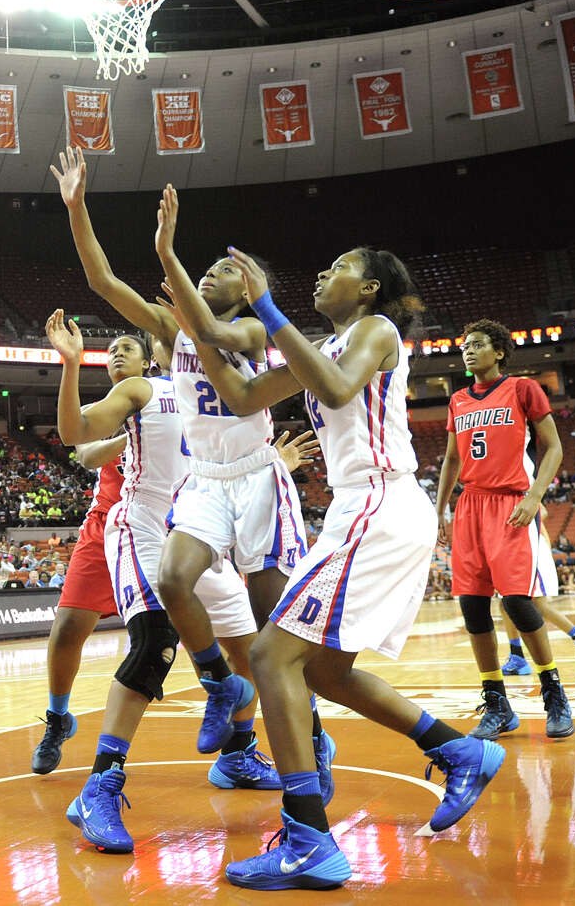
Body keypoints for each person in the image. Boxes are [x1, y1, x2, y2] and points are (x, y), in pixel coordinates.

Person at [199, 247, 504, 891]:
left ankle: (309, 836)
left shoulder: (375, 330)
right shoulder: (327, 344)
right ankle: (459, 749)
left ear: (367, 288)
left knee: (269, 656)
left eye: (335, 266)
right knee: (323, 670)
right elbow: (242, 393)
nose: (318, 271)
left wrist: (263, 304)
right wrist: (192, 320)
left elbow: (337, 389)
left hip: (378, 501)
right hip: (362, 507)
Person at [50, 147, 319, 787]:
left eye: (226, 270)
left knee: (266, 634)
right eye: (207, 269)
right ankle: (216, 689)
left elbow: (218, 338)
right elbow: (103, 282)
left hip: (255, 480)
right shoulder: (170, 333)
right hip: (202, 487)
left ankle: (305, 736)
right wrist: (77, 206)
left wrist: (169, 254)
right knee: (174, 586)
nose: (211, 274)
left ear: (250, 288)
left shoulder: (254, 331)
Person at [45, 313, 275, 855]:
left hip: (200, 528)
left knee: (253, 656)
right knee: (154, 645)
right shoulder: (142, 388)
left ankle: (238, 754)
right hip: (142, 527)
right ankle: (100, 785)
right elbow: (76, 435)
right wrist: (72, 363)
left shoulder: (219, 385)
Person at [434, 320, 574, 740]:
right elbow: (451, 461)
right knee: (473, 608)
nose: (469, 352)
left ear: (498, 351)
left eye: (477, 345)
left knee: (517, 600)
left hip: (511, 504)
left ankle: (554, 692)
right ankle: (497, 704)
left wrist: (534, 496)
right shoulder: (458, 399)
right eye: (465, 346)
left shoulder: (523, 389)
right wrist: (440, 509)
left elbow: (553, 447)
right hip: (470, 506)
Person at [30, 432, 126, 775]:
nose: (119, 372)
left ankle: (237, 744)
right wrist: (132, 436)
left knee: (202, 633)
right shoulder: (107, 413)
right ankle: (58, 719)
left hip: (163, 526)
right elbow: (87, 453)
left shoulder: (181, 404)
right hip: (106, 525)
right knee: (67, 628)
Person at [500, 507, 575, 678]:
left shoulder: (520, 483)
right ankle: (517, 656)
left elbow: (541, 510)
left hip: (529, 544)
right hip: (512, 546)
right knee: (505, 604)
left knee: (539, 604)